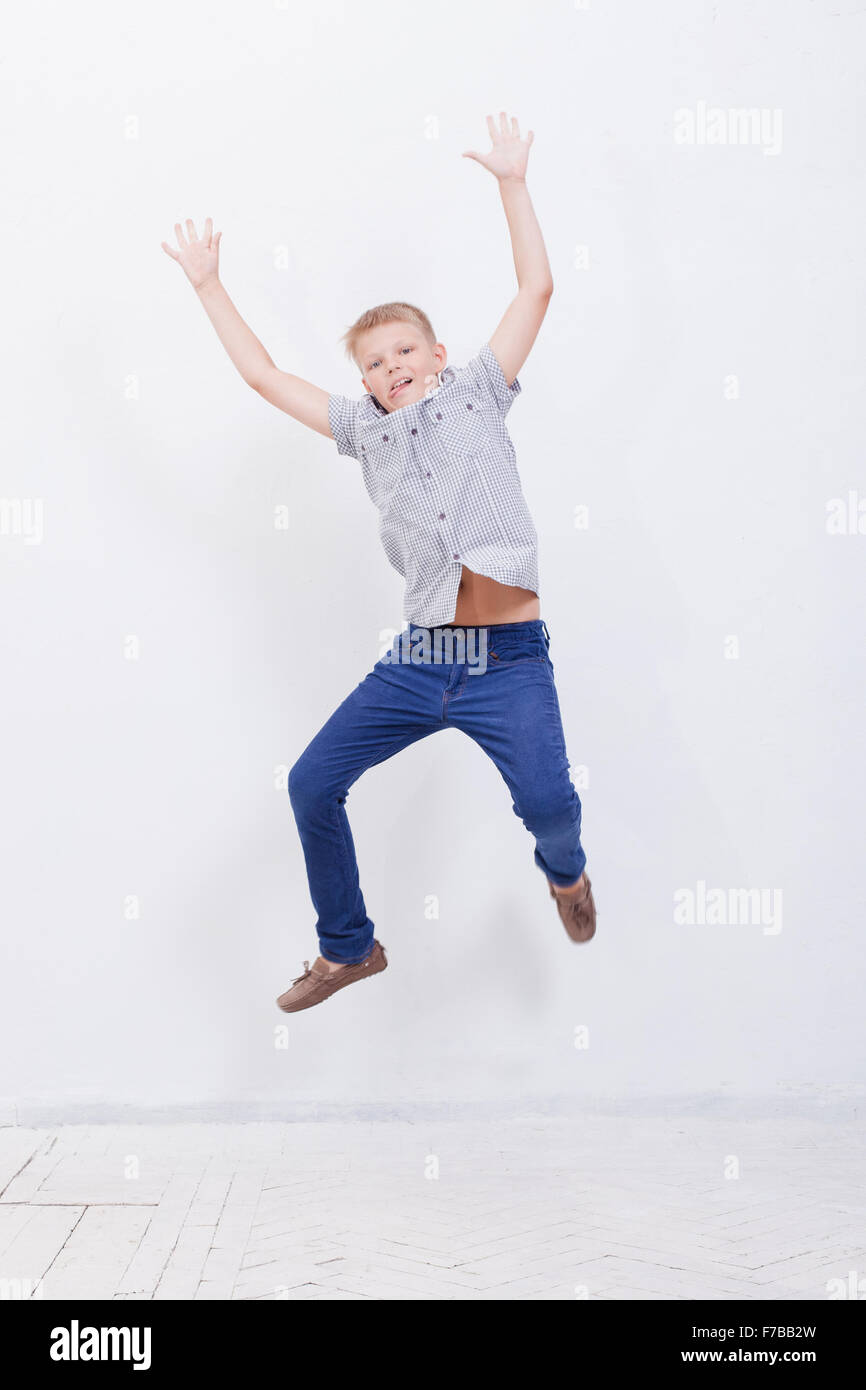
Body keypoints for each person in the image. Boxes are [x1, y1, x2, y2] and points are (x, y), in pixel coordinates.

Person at [161, 111, 597, 1015]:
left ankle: (565, 873)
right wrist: (209, 285)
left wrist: (512, 183)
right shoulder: (364, 433)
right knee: (311, 783)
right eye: (375, 361)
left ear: (438, 358)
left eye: (405, 351)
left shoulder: (480, 390)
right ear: (365, 383)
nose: (392, 366)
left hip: (508, 663)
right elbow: (264, 377)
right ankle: (348, 947)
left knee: (551, 805)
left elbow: (537, 289)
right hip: (420, 662)